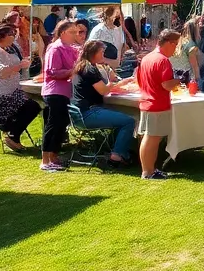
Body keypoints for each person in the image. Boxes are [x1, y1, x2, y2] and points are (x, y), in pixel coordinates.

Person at [71, 40, 135, 169]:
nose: (103, 55)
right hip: (88, 113)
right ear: (93, 53)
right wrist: (112, 83)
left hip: (80, 113)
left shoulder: (82, 66)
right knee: (129, 121)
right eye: (101, 52)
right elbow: (104, 91)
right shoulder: (90, 69)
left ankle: (121, 151)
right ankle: (117, 156)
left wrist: (117, 84)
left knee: (121, 117)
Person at [0, 24, 42, 152]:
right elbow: (1, 72)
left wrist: (25, 65)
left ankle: (13, 135)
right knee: (32, 106)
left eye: (14, 34)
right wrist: (20, 66)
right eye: (11, 34)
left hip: (12, 91)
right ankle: (12, 136)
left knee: (36, 104)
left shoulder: (8, 49)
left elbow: (15, 69)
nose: (14, 37)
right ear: (1, 36)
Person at [136, 29, 181, 180]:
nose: (175, 49)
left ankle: (149, 170)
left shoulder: (147, 58)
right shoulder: (163, 60)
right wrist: (179, 80)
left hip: (147, 102)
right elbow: (167, 85)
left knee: (149, 138)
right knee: (152, 139)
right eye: (175, 45)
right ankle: (147, 172)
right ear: (169, 43)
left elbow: (139, 80)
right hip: (157, 104)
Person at [40, 19, 79, 172]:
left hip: (65, 92)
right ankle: (45, 160)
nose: (75, 35)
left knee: (61, 125)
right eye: (72, 32)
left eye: (76, 32)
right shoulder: (55, 48)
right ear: (62, 33)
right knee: (53, 125)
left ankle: (54, 157)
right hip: (54, 91)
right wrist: (73, 71)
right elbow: (53, 72)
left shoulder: (70, 48)